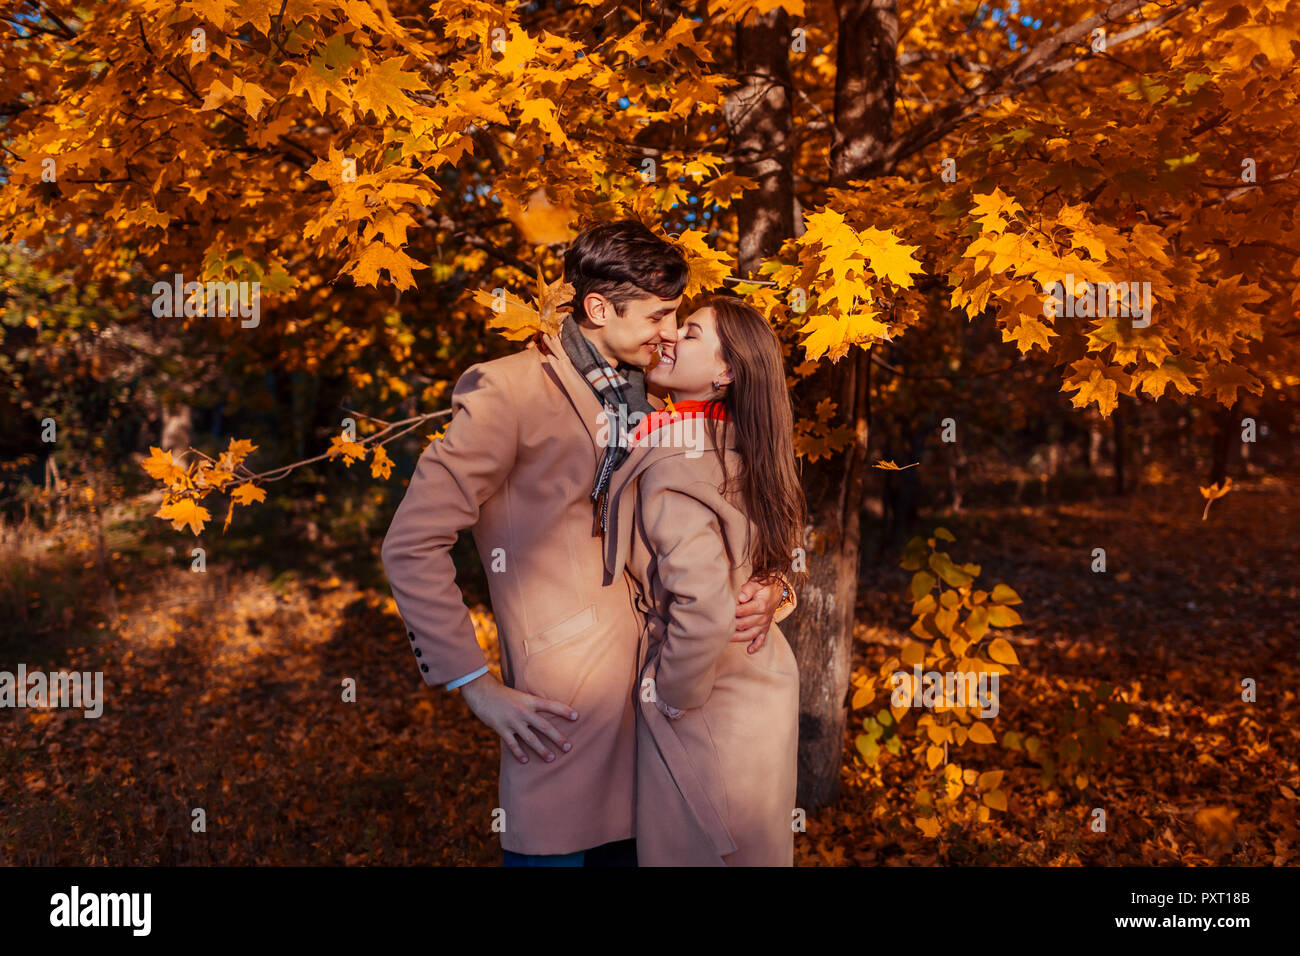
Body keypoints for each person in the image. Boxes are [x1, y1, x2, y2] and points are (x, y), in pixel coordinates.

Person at [380, 220, 796, 866]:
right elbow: (410, 542)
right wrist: (475, 683)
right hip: (563, 731)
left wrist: (774, 586)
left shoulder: (659, 410)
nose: (669, 331)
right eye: (661, 314)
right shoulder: (510, 393)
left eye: (678, 316)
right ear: (599, 308)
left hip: (656, 747)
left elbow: (730, 518)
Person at [601, 294, 806, 866]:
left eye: (689, 334)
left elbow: (703, 601)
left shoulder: (674, 454)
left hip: (704, 694)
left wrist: (669, 696)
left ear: (726, 371)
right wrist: (777, 588)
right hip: (758, 677)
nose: (669, 337)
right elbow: (779, 550)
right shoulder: (747, 442)